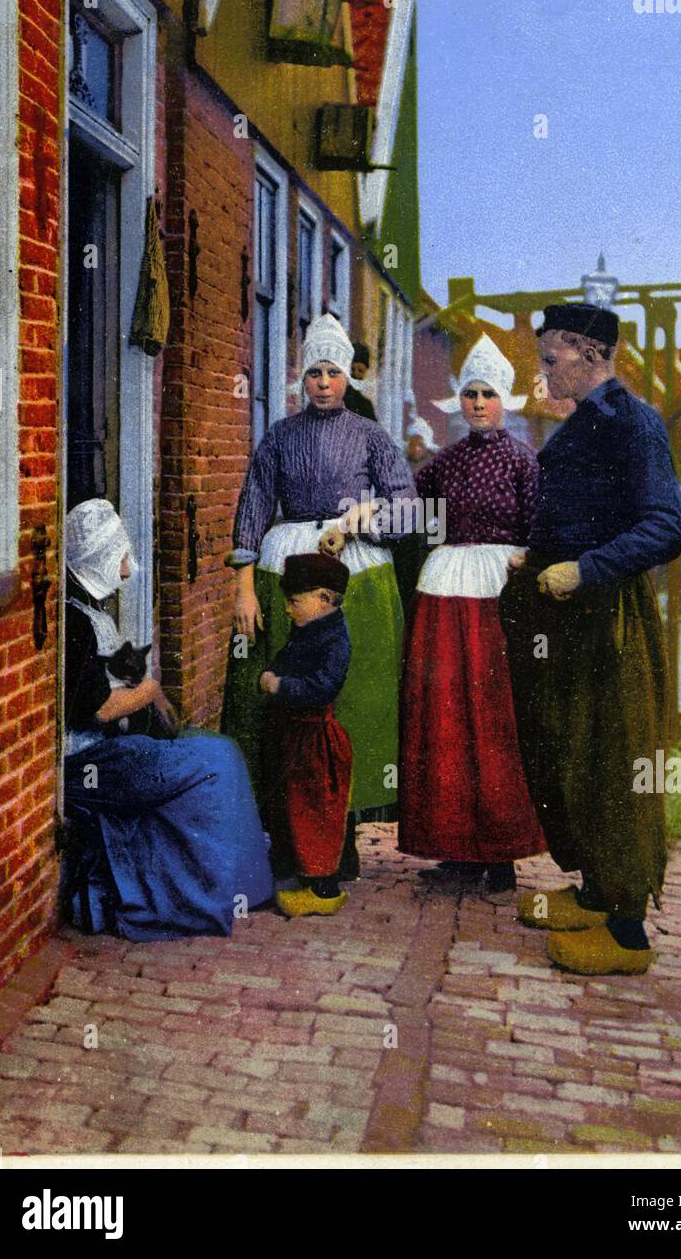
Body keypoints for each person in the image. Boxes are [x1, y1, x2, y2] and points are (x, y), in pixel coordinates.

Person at [499, 303, 681, 974]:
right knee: (567, 756)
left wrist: (583, 568)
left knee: (613, 765)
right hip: (562, 616)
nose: (541, 372)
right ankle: (594, 894)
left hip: (607, 620)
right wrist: (538, 552)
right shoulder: (585, 425)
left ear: (586, 351)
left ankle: (628, 934)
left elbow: (665, 527)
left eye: (549, 359)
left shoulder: (633, 424)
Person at [223, 313, 416, 876]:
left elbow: (408, 508)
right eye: (314, 373)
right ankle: (287, 830)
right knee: (283, 703)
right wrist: (243, 588)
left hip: (357, 573)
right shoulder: (279, 438)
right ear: (302, 378)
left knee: (351, 700)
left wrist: (364, 515)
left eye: (333, 371)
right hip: (286, 568)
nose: (324, 383)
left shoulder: (373, 437)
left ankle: (344, 831)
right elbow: (252, 509)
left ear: (348, 378)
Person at [63, 498, 273, 940]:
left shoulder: (93, 614)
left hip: (110, 751)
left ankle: (235, 885)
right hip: (87, 765)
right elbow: (96, 707)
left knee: (220, 750)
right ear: (100, 558)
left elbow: (119, 676)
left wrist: (145, 691)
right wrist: (152, 691)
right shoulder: (74, 622)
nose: (126, 570)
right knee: (213, 763)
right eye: (120, 557)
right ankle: (207, 892)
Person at [397, 334, 547, 896]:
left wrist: (522, 563)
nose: (478, 403)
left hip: (495, 595)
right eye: (469, 394)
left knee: (492, 717)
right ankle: (456, 846)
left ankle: (501, 851)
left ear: (503, 399)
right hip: (443, 590)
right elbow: (413, 515)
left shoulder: (523, 463)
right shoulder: (441, 465)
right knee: (443, 717)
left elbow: (539, 534)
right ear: (458, 401)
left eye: (487, 394)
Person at [260, 553, 353, 917]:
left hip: (316, 741)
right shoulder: (308, 631)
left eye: (295, 600)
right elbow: (286, 660)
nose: (287, 608)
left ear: (325, 599)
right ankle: (299, 874)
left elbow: (323, 686)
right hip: (294, 736)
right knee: (292, 808)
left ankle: (324, 889)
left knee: (317, 811)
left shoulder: (335, 641)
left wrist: (281, 685)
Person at [343, 341, 377, 420]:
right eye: (352, 369)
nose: (355, 374)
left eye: (360, 371)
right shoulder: (333, 400)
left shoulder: (365, 405)